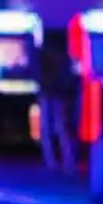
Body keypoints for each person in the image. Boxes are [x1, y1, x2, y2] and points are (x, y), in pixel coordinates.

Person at [36, 31, 80, 175]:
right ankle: (65, 163)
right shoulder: (63, 59)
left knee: (52, 129)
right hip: (57, 94)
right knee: (60, 129)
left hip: (52, 94)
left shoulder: (44, 57)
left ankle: (55, 163)